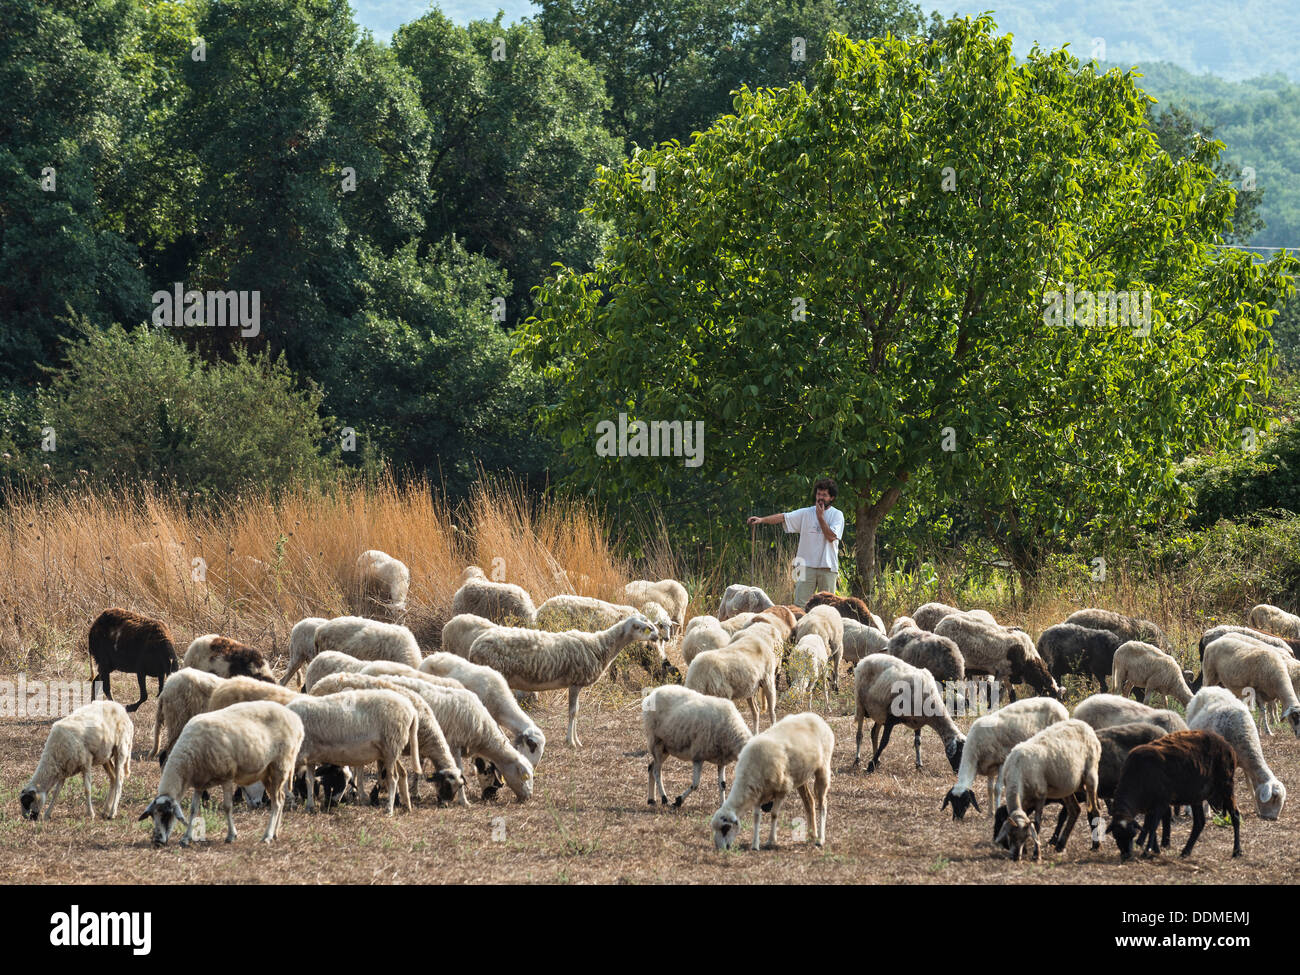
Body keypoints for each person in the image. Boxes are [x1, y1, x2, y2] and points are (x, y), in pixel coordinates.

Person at [747, 477, 845, 605]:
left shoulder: (837, 515)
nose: (820, 497)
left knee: (827, 607)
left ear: (831, 498)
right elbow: (784, 517)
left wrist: (820, 517)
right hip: (804, 565)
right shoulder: (806, 513)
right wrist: (761, 520)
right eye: (818, 494)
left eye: (824, 495)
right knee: (799, 605)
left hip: (828, 567)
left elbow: (831, 536)